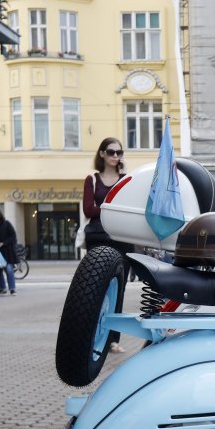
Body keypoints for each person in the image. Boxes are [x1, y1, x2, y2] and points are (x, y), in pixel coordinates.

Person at [82, 137, 134, 353]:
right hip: (97, 238)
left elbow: (130, 208)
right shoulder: (92, 180)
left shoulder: (126, 180)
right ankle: (92, 336)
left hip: (121, 238)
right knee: (95, 290)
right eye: (111, 152)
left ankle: (113, 340)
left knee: (118, 290)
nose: (115, 156)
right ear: (102, 154)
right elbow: (88, 210)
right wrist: (113, 208)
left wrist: (103, 207)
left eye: (119, 152)